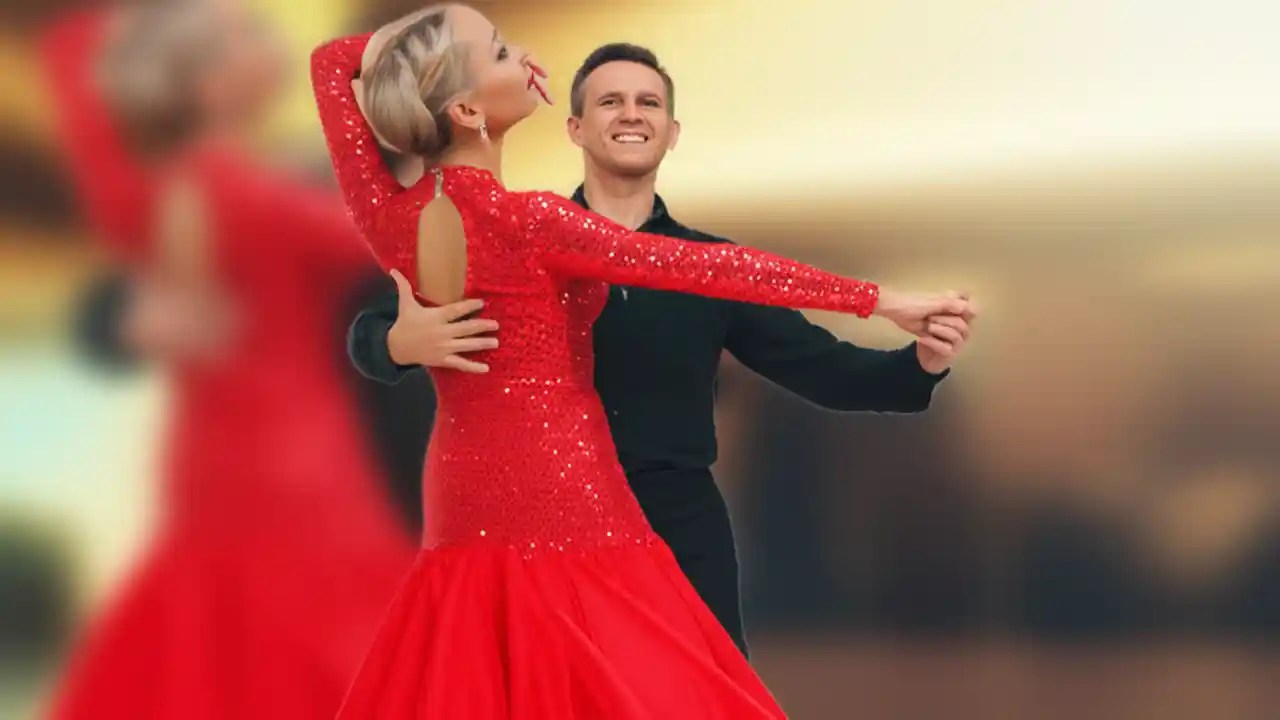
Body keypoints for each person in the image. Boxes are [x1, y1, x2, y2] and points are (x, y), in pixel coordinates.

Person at [313, 5, 973, 716]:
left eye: (649, 102)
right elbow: (717, 270)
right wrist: (879, 299)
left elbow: (329, 66)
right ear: (470, 107)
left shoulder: (387, 214)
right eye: (504, 52)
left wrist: (414, 47)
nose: (529, 57)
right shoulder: (534, 221)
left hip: (461, 495)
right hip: (569, 495)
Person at [40, 4, 414, 717]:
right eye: (241, 38)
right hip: (297, 460)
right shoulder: (254, 190)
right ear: (206, 83)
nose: (266, 42)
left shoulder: (158, 190)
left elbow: (83, 89)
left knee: (222, 639)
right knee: (326, 634)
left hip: (215, 455)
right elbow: (392, 245)